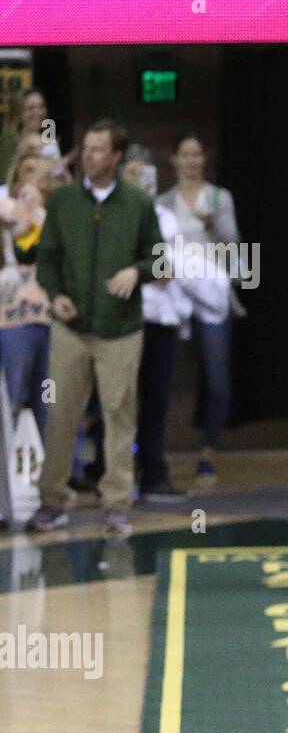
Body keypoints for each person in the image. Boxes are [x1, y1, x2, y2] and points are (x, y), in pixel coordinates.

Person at [27, 120, 163, 535]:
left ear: (117, 157)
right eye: (85, 148)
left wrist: (135, 272)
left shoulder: (138, 203)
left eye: (99, 150)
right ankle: (53, 500)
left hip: (120, 328)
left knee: (119, 415)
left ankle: (117, 503)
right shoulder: (64, 200)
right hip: (70, 326)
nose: (88, 156)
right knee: (60, 413)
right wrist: (54, 295)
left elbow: (157, 260)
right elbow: (47, 259)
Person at [158, 133, 242, 487]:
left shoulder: (220, 197)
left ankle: (208, 449)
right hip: (174, 291)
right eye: (185, 155)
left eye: (197, 155)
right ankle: (153, 453)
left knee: (217, 378)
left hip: (210, 291)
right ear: (174, 160)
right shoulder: (162, 201)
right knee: (160, 374)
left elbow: (235, 244)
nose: (192, 162)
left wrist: (213, 224)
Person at [122, 145, 190, 502]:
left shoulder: (166, 217)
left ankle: (153, 475)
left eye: (147, 174)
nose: (142, 181)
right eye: (133, 173)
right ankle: (114, 479)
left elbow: (170, 267)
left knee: (156, 401)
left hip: (160, 319)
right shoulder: (115, 215)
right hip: (125, 321)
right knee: (120, 402)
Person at [0, 149, 53, 434]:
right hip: (12, 320)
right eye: (29, 172)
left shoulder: (52, 217)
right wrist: (26, 209)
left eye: (40, 173)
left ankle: (40, 474)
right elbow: (21, 242)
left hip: (48, 317)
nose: (35, 180)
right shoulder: (6, 208)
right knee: (13, 398)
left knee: (46, 400)